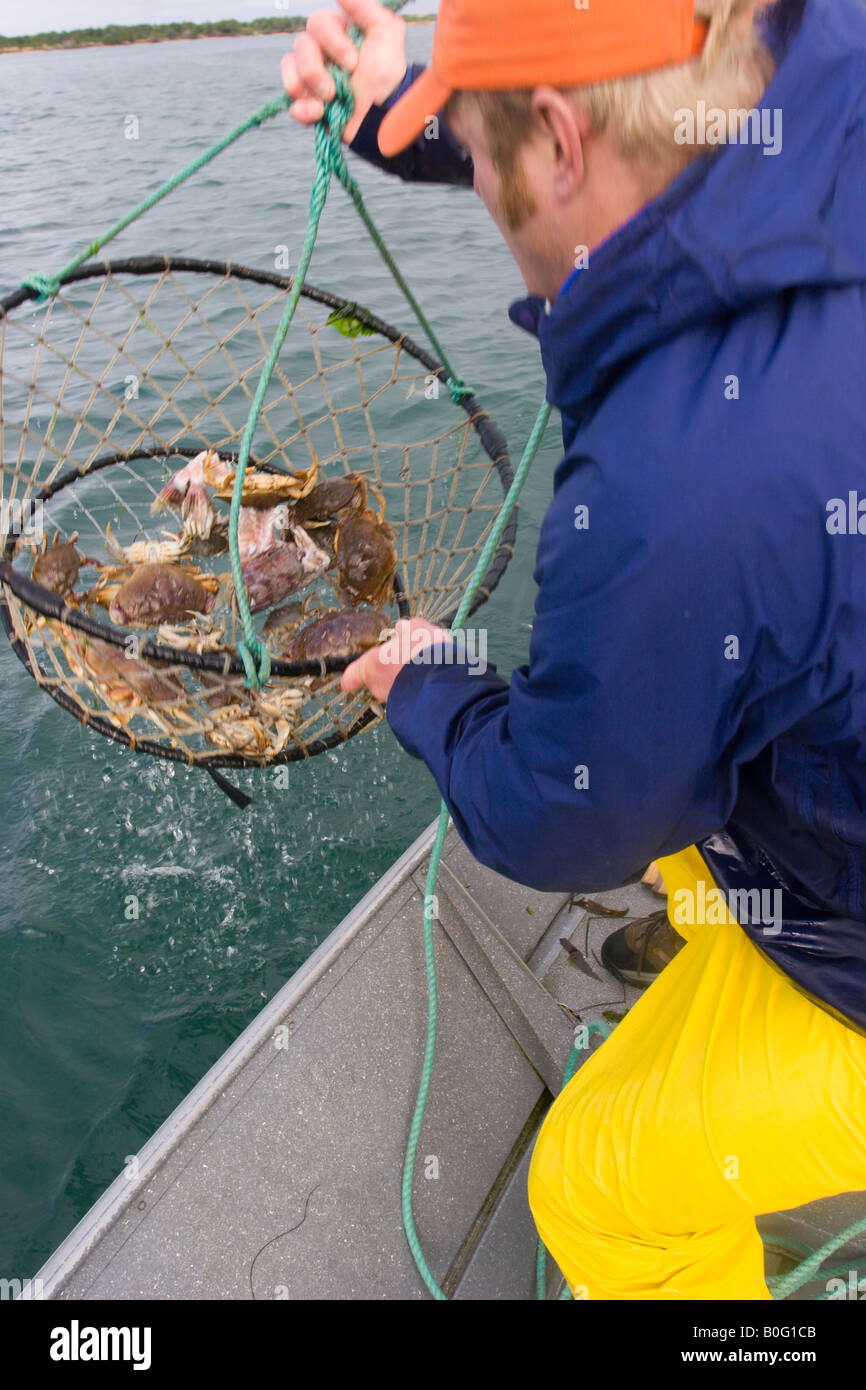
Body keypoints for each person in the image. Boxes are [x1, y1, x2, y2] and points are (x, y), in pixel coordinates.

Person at [282, 0, 866, 1299]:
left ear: (554, 140)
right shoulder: (820, 69)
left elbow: (561, 819)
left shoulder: (676, 486)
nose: (480, 188)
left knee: (593, 1186)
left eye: (479, 156)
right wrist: (413, 101)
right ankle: (732, 928)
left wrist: (428, 684)